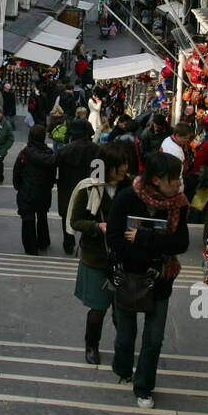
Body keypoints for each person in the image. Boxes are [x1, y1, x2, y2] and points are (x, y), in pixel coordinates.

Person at [106, 151, 190, 408]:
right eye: (173, 178)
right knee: (126, 332)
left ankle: (143, 386)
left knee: (153, 339)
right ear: (155, 180)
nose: (178, 183)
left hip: (161, 279)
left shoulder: (179, 203)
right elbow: (115, 239)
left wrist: (143, 238)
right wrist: (153, 252)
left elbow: (181, 243)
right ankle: (123, 368)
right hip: (128, 275)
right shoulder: (126, 198)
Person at [69, 143, 133, 364]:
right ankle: (92, 345)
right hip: (96, 258)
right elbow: (75, 221)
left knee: (123, 310)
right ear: (107, 166)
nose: (124, 169)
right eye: (119, 165)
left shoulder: (131, 187)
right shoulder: (89, 188)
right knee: (98, 308)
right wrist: (97, 227)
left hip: (125, 257)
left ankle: (124, 347)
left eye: (125, 164)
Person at [55, 118, 99, 255]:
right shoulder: (97, 150)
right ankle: (85, 243)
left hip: (67, 188)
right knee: (89, 216)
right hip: (90, 189)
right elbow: (101, 173)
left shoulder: (65, 150)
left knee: (67, 216)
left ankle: (68, 242)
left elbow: (51, 164)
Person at [13, 123, 57, 255]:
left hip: (27, 192)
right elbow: (52, 174)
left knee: (28, 220)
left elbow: (17, 172)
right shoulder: (49, 154)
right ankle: (43, 242)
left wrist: (18, 186)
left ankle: (30, 247)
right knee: (42, 217)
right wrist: (48, 186)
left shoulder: (25, 153)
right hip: (43, 192)